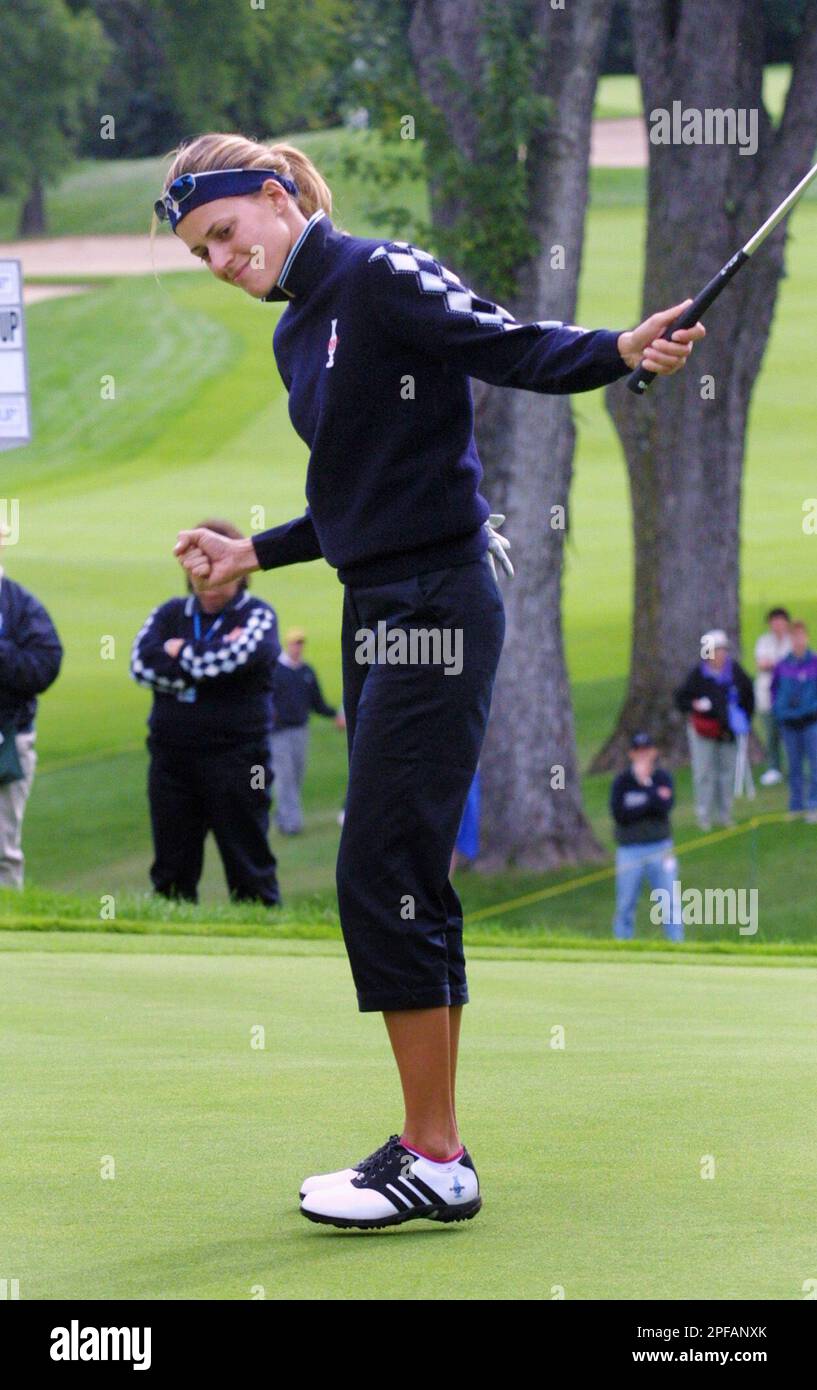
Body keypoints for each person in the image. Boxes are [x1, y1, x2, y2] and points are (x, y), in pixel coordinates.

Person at [155, 132, 704, 1229]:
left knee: (380, 864)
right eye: (199, 254)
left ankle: (436, 1155)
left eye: (224, 234)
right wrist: (251, 552)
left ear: (275, 196)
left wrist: (617, 351)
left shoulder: (380, 274)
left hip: (438, 603)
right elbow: (357, 495)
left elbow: (504, 343)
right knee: (403, 863)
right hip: (379, 607)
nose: (220, 261)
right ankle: (430, 1144)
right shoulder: (299, 331)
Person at [129, 518, 282, 905]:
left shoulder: (258, 616)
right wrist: (210, 669)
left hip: (241, 759)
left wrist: (180, 652)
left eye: (217, 574)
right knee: (171, 870)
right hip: (171, 759)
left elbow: (241, 657)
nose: (209, 585)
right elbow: (142, 665)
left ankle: (259, 936)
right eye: (200, 575)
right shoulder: (169, 614)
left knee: (249, 862)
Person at [0, 530, 63, 887]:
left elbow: (43, 666)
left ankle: (6, 931)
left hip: (7, 742)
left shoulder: (19, 605)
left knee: (2, 851)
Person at [675, 630, 754, 831]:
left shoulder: (735, 671)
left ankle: (725, 814)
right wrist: (695, 704)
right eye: (715, 650)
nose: (719, 655)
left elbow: (748, 695)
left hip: (727, 733)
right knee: (704, 774)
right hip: (703, 731)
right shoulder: (698, 674)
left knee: (726, 773)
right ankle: (704, 815)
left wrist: (743, 720)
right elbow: (681, 699)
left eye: (722, 650)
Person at [271, 627, 345, 835]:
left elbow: (317, 703)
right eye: (295, 643)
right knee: (284, 777)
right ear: (288, 644)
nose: (298, 647)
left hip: (301, 731)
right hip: (279, 733)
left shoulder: (306, 671)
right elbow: (264, 699)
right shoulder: (276, 670)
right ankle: (292, 824)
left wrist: (336, 715)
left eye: (301, 643)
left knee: (296, 776)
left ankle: (283, 815)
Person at [610, 733, 682, 942]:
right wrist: (649, 803)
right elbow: (620, 815)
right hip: (629, 850)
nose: (643, 755)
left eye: (646, 751)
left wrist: (646, 784)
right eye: (638, 751)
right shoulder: (622, 782)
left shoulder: (662, 778)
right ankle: (622, 945)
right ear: (631, 754)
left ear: (654, 752)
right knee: (625, 902)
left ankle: (677, 944)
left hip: (660, 847)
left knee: (669, 901)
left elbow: (664, 808)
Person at [770, 620, 817, 821]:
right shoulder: (782, 666)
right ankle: (796, 805)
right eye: (794, 637)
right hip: (789, 724)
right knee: (794, 765)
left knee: (814, 764)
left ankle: (813, 804)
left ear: (806, 637)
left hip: (810, 721)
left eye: (801, 636)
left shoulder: (814, 663)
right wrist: (781, 712)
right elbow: (775, 691)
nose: (798, 640)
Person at [754, 607, 791, 786]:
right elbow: (762, 663)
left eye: (780, 620)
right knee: (772, 734)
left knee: (791, 734)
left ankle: (793, 767)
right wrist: (782, 665)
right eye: (774, 621)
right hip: (767, 696)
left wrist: (776, 664)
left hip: (789, 696)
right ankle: (774, 768)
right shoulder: (764, 642)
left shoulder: (792, 641)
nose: (777, 624)